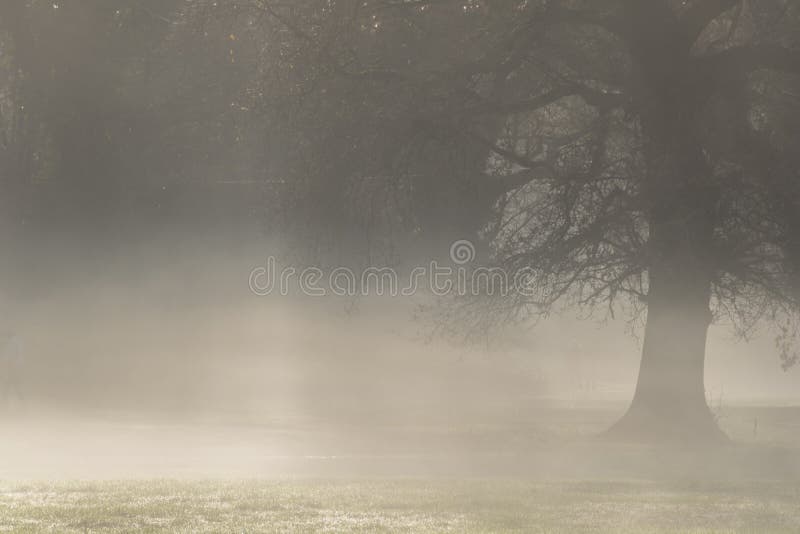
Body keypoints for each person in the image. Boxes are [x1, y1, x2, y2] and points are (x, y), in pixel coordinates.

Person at [0, 332, 24, 407]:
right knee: (12, 383)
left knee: (12, 382)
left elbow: (12, 355)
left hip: (13, 366)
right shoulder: (17, 341)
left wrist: (10, 365)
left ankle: (4, 398)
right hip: (15, 366)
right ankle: (5, 398)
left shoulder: (13, 342)